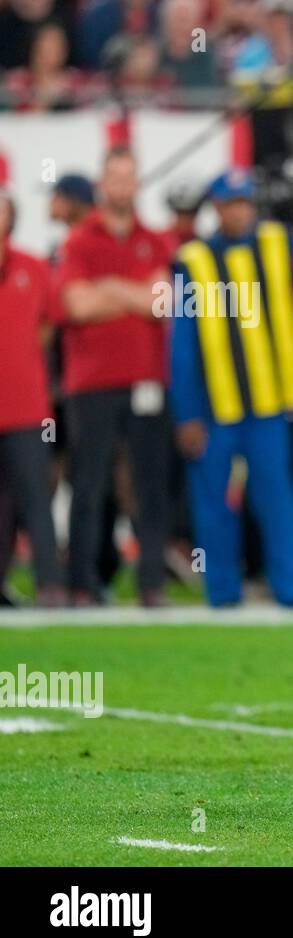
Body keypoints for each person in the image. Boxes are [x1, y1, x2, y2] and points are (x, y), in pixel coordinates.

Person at [170, 170, 293, 608]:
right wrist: (186, 413)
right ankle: (223, 593)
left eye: (245, 202)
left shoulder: (279, 243)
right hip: (216, 405)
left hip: (270, 402)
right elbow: (181, 344)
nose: (239, 212)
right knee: (213, 503)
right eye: (231, 204)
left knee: (277, 499)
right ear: (216, 208)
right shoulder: (193, 260)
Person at [59, 146, 172, 606]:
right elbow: (76, 306)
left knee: (149, 485)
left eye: (129, 177)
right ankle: (83, 584)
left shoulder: (156, 239)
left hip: (146, 378)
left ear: (137, 184)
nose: (122, 186)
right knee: (89, 484)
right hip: (91, 382)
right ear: (101, 185)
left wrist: (108, 288)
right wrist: (135, 294)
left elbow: (163, 303)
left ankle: (151, 585)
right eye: (114, 178)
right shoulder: (79, 240)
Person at [0, 189, 65, 607]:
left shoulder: (35, 267)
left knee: (36, 498)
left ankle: (50, 586)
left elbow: (49, 327)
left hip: (26, 410)